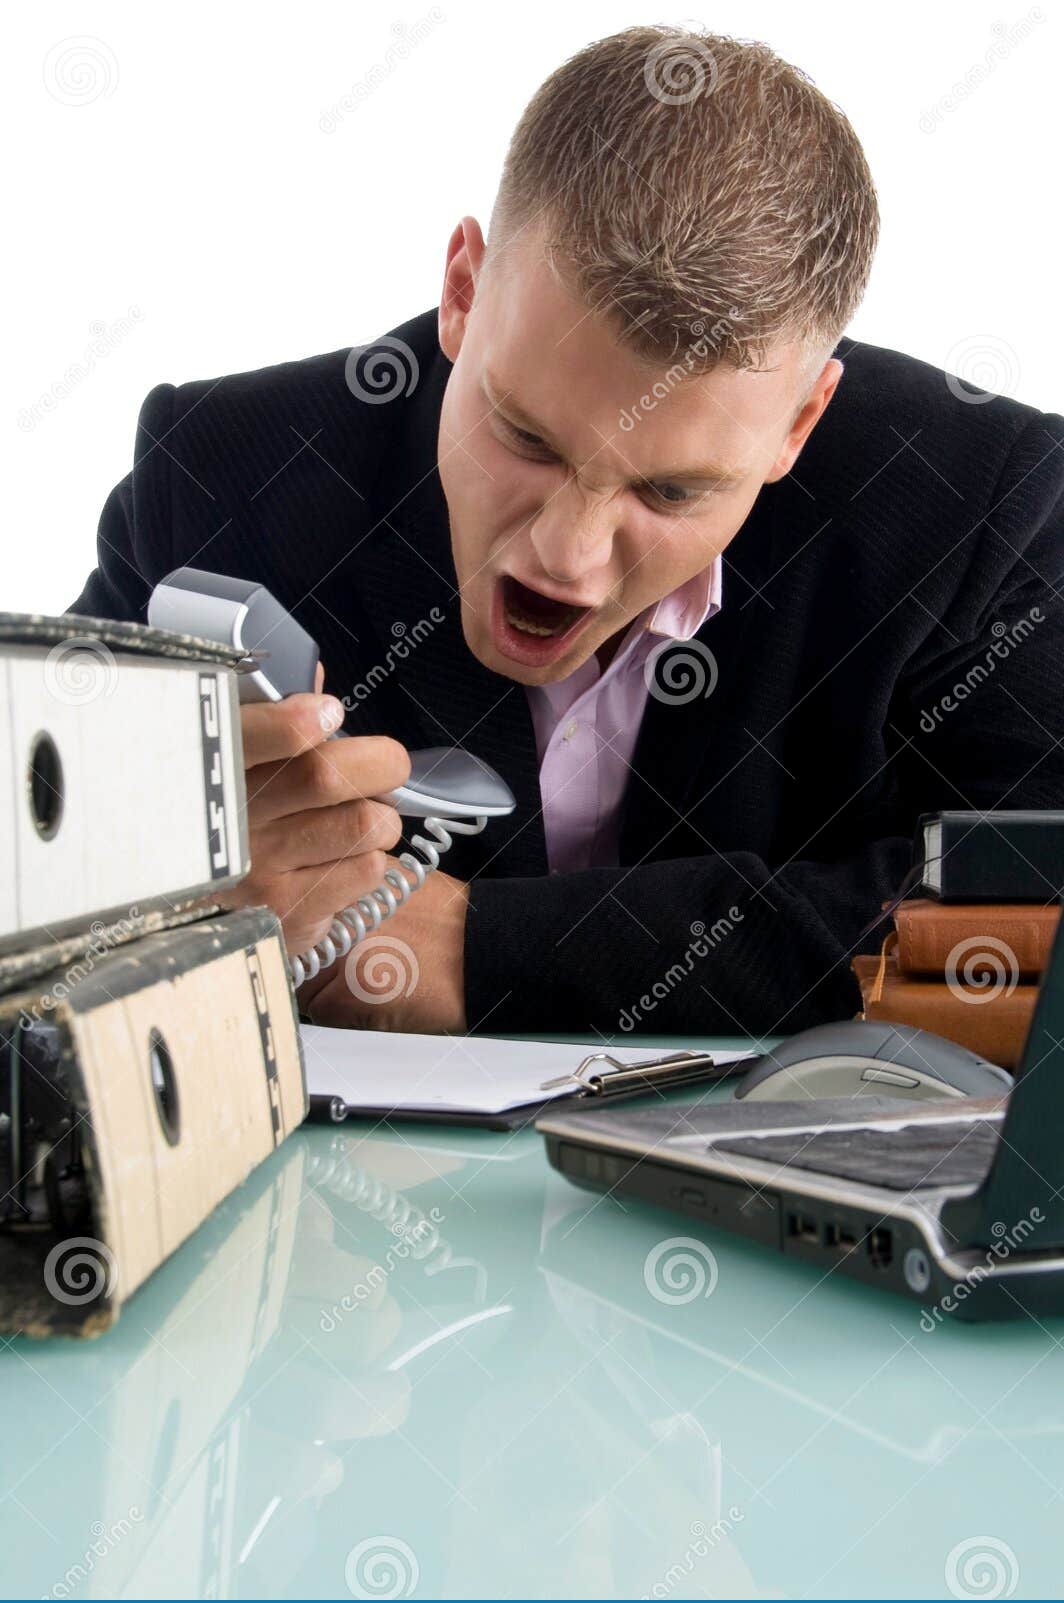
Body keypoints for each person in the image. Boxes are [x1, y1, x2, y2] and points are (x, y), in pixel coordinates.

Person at [70, 26, 1064, 1039]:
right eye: (525, 436)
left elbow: (1026, 927)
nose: (564, 554)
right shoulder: (223, 479)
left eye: (670, 492)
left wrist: (478, 949)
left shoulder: (978, 506)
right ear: (461, 290)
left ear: (798, 424)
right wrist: (167, 906)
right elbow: (39, 861)